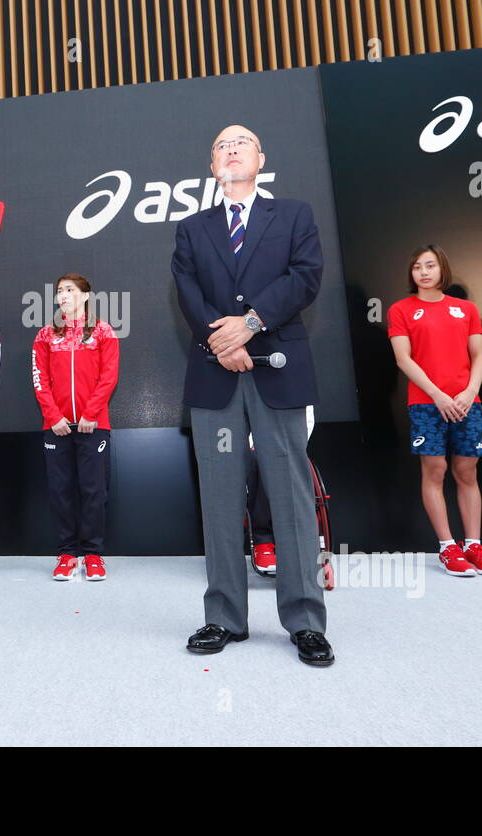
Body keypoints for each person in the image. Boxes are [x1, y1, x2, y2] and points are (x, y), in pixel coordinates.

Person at [171, 124, 333, 666]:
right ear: (211, 165)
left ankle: (306, 620)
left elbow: (305, 278)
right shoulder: (192, 228)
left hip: (278, 370)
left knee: (289, 496)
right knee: (219, 498)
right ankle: (223, 616)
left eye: (241, 142)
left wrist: (251, 323)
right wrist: (223, 343)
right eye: (220, 144)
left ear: (261, 157)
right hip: (215, 373)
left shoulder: (293, 214)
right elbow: (188, 291)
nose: (231, 148)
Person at [387, 245, 482, 577]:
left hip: (468, 403)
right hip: (426, 404)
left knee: (467, 472)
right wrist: (438, 395)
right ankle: (448, 547)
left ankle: (474, 545)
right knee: (434, 470)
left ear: (442, 270)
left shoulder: (465, 309)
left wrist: (469, 392)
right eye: (417, 267)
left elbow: (479, 356)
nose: (424, 272)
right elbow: (403, 359)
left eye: (430, 265)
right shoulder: (401, 310)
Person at [31, 273, 120, 581]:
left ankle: (93, 554)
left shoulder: (103, 331)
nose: (63, 295)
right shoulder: (45, 335)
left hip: (93, 424)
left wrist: (91, 412)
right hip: (55, 426)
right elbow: (39, 378)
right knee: (61, 491)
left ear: (85, 296)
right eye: (59, 291)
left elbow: (109, 377)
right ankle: (67, 553)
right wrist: (53, 416)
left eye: (70, 290)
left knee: (94, 491)